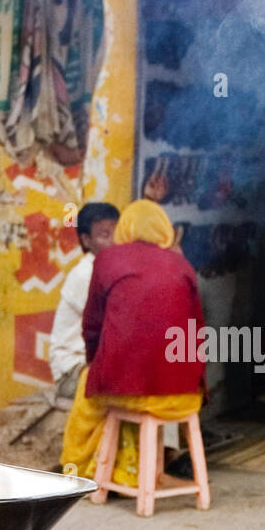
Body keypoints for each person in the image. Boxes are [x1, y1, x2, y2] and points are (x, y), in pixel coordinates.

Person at [59, 200, 205, 487]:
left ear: (125, 228)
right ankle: (144, 471)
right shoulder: (182, 264)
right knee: (157, 377)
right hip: (185, 396)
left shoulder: (108, 261)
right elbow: (197, 331)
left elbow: (93, 328)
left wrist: (96, 365)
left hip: (121, 383)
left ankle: (81, 473)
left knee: (100, 391)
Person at [48, 201, 119, 400]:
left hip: (91, 365)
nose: (115, 241)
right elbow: (112, 325)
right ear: (86, 241)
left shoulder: (108, 271)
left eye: (118, 233)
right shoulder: (85, 274)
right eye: (105, 235)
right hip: (72, 371)